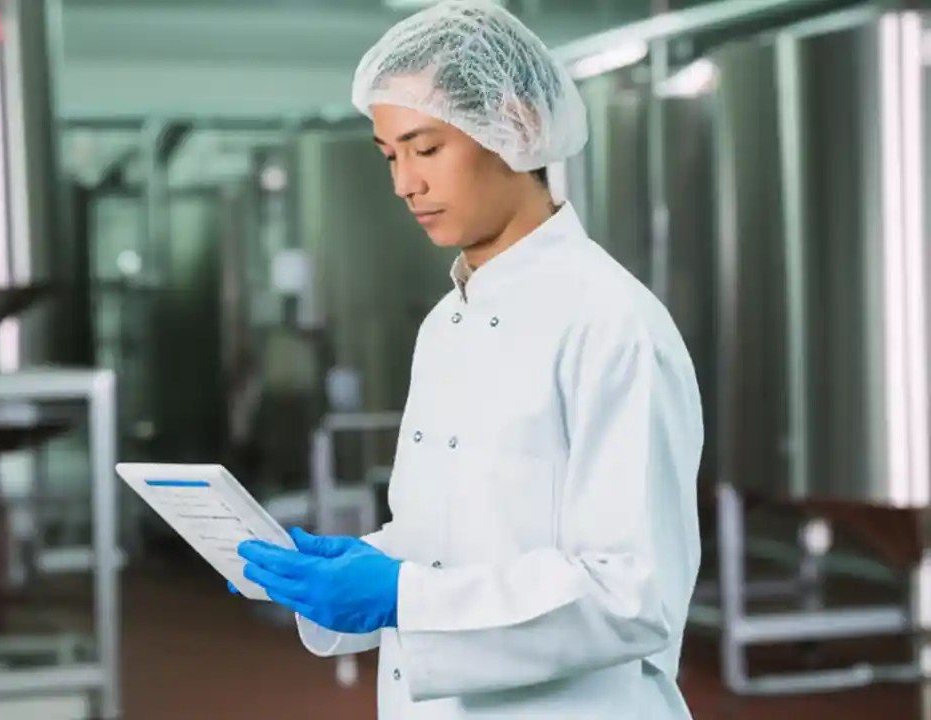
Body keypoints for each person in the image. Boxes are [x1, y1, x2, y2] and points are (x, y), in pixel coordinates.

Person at [234, 1, 704, 718]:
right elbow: (457, 542)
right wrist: (348, 565)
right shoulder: (445, 324)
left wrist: (400, 594)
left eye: (425, 150)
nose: (404, 185)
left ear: (514, 126)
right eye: (391, 157)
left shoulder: (611, 323)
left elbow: (632, 593)